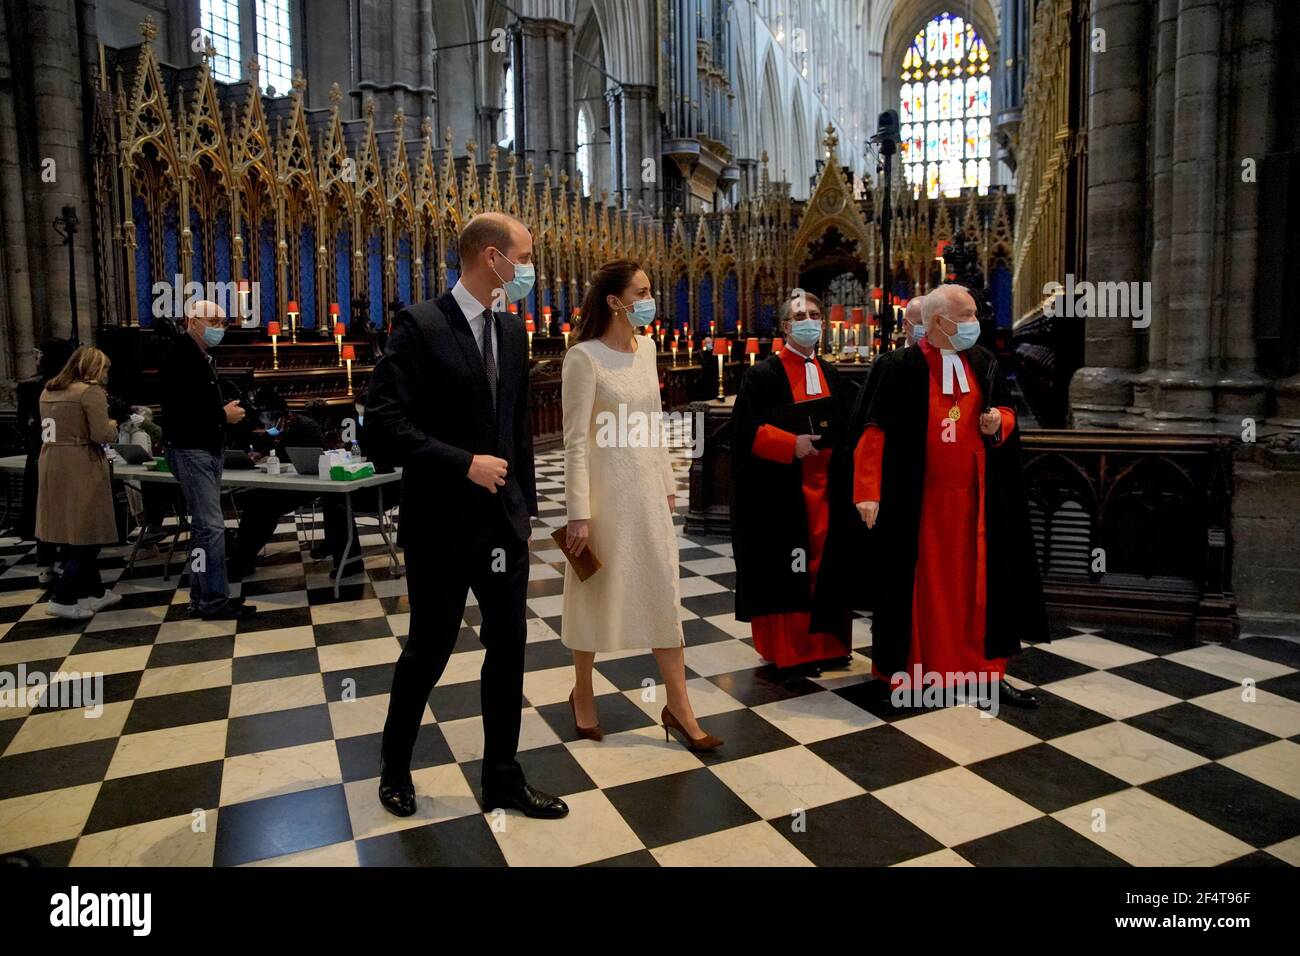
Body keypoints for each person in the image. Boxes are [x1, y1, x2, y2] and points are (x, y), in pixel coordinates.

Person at [367, 211, 566, 820]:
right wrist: (463, 463)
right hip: (440, 522)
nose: (530, 270)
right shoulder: (421, 325)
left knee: (508, 648)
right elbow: (382, 428)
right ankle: (395, 766)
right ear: (490, 257)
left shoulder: (512, 331)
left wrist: (524, 506)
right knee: (429, 648)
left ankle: (502, 776)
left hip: (501, 522)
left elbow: (516, 430)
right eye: (524, 257)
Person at [850, 283, 1045, 707]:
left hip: (978, 502)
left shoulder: (984, 361)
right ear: (939, 321)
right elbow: (874, 430)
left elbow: (1007, 410)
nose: (977, 322)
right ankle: (917, 675)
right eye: (969, 314)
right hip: (918, 503)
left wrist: (1000, 422)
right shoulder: (898, 366)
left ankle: (986, 674)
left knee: (979, 590)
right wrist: (868, 490)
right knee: (923, 591)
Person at [561, 260, 721, 750]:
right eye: (643, 291)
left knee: (661, 592)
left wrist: (667, 479)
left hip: (647, 494)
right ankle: (582, 692)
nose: (651, 299)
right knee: (594, 591)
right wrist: (577, 514)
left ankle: (680, 707)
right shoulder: (582, 358)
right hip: (604, 498)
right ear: (615, 301)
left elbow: (653, 423)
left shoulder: (647, 348)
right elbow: (574, 443)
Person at [730, 290, 860, 675]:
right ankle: (794, 651)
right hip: (782, 493)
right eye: (802, 316)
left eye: (816, 315)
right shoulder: (762, 375)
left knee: (828, 569)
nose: (811, 321)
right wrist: (791, 444)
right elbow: (744, 433)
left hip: (828, 489)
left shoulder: (832, 373)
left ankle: (831, 645)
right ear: (786, 326)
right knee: (790, 569)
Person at [159, 298, 254, 621]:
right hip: (190, 448)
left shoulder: (200, 357)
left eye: (223, 322)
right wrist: (221, 415)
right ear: (192, 320)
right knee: (211, 528)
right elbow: (180, 411)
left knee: (205, 530)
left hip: (204, 448)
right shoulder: (180, 356)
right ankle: (214, 601)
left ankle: (202, 597)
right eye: (213, 320)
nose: (219, 327)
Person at [229, 389, 361, 578]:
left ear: (283, 416)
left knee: (263, 506)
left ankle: (241, 561)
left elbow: (313, 460)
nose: (268, 425)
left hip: (307, 483)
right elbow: (262, 447)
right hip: (279, 483)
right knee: (256, 502)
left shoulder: (307, 427)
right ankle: (242, 559)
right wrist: (257, 454)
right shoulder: (271, 431)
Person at [36, 347, 122, 620]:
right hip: (80, 463)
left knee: (71, 530)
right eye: (105, 369)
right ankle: (63, 597)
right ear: (94, 368)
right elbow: (100, 433)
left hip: (52, 461)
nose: (107, 374)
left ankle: (95, 594)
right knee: (86, 534)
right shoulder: (89, 392)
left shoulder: (49, 390)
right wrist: (113, 424)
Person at [16, 338, 76, 586]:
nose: (37, 357)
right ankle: (67, 560)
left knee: (46, 511)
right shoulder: (68, 388)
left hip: (41, 455)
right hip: (63, 455)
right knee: (64, 511)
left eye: (40, 353)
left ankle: (47, 564)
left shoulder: (33, 388)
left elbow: (25, 424)